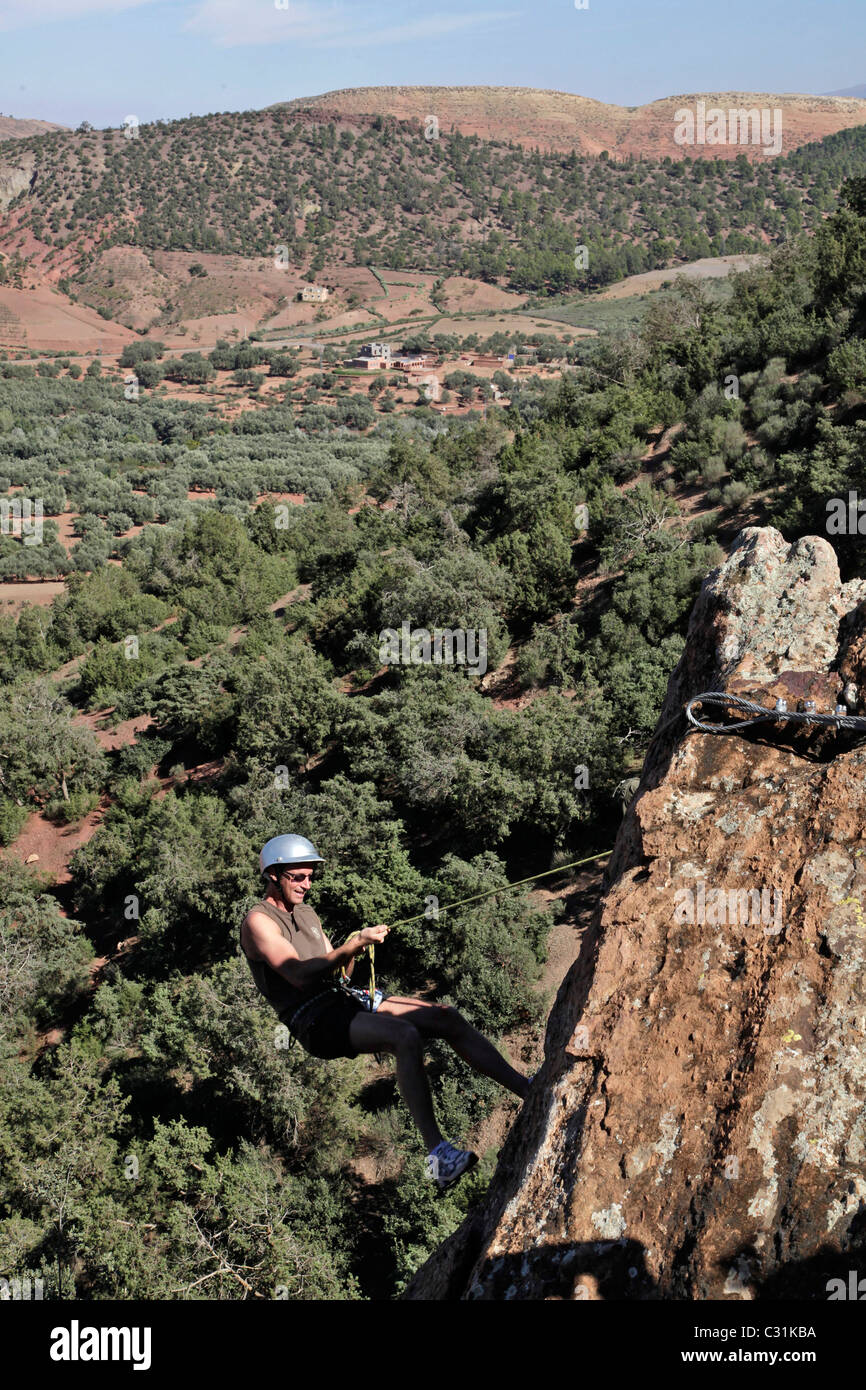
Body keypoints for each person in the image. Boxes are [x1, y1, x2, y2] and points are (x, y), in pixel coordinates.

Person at [240, 834, 532, 1191]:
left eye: (310, 876)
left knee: (446, 1017)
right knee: (403, 1036)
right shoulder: (259, 922)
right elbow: (299, 975)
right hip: (313, 1018)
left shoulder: (305, 912)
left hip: (342, 997)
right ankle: (439, 1157)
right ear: (273, 875)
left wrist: (353, 954)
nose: (306, 884)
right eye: (297, 878)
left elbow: (338, 974)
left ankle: (527, 1090)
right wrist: (353, 944)